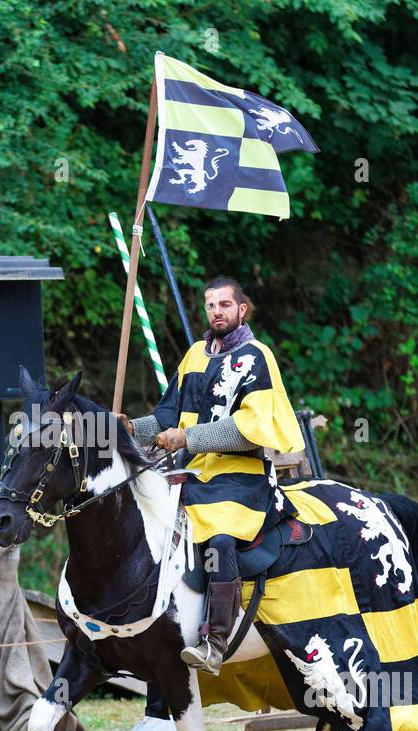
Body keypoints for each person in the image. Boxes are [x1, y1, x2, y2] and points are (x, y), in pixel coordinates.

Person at [120, 277, 304, 674]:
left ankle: (215, 641)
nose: (216, 311)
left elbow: (249, 430)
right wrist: (131, 428)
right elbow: (168, 417)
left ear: (242, 309)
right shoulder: (194, 357)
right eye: (210, 305)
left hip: (241, 477)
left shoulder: (257, 357)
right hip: (189, 473)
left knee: (218, 538)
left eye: (225, 304)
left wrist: (189, 436)